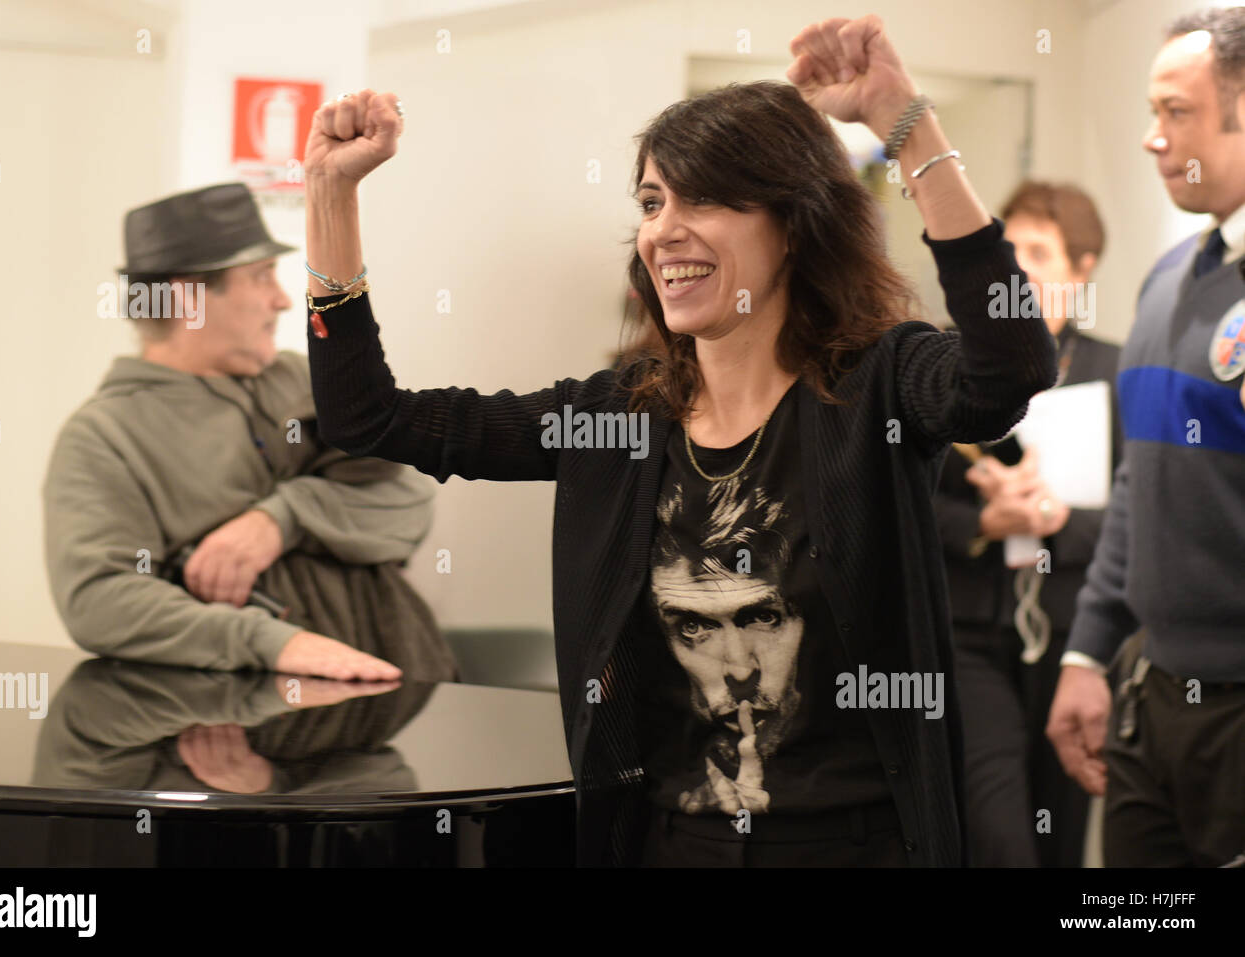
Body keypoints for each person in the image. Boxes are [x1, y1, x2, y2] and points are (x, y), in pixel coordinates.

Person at [301, 14, 1057, 867]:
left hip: (859, 848)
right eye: (653, 202)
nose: (665, 229)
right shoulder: (617, 418)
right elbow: (369, 417)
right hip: (669, 845)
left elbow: (1011, 368)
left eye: (705, 199)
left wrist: (905, 122)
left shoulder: (877, 383)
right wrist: (331, 197)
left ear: (794, 225)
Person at [43, 182, 458, 684]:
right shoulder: (104, 437)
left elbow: (409, 506)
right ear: (188, 296)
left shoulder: (303, 379)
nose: (283, 301)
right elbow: (99, 603)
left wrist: (282, 519)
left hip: (399, 699)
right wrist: (272, 644)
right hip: (234, 731)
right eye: (262, 277)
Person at [1046, 6, 1245, 867]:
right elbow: (1138, 487)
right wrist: (1087, 652)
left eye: (1176, 112)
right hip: (1149, 698)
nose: (1150, 138)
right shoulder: (1167, 281)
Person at [934, 181, 1121, 867]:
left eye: (1040, 251)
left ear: (1083, 268)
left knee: (1062, 836)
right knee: (998, 833)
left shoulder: (1116, 369)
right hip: (974, 632)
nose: (1021, 268)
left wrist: (1056, 519)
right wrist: (987, 517)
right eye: (1010, 250)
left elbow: (1136, 519)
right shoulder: (946, 365)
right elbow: (906, 506)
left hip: (1075, 637)